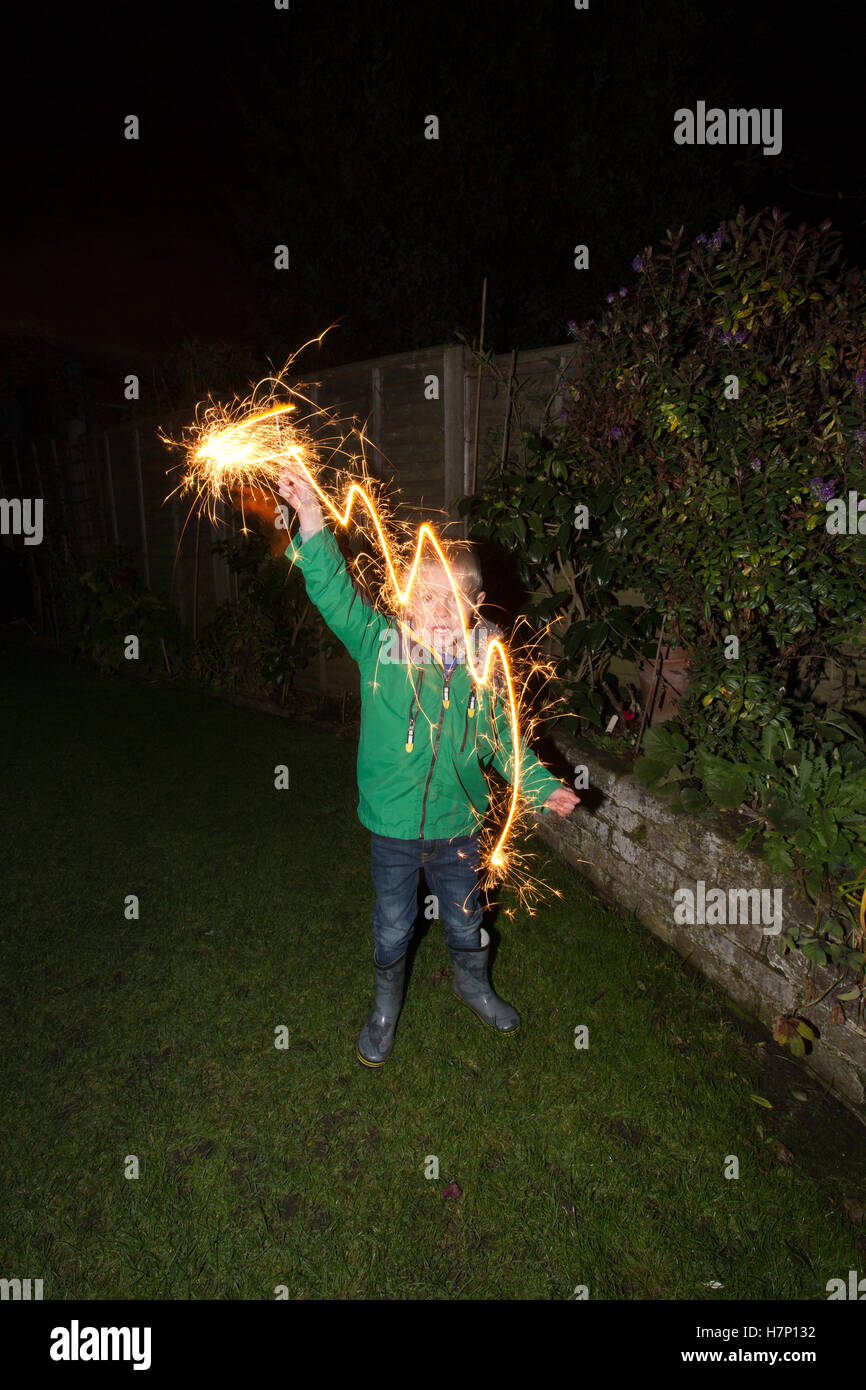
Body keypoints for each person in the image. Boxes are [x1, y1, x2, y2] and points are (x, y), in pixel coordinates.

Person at [277, 463, 580, 1067]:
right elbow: (334, 591)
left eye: (454, 599)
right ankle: (385, 1007)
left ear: (474, 607)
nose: (440, 611)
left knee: (466, 920)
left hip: (459, 827)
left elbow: (504, 742)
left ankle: (473, 984)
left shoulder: (484, 672)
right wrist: (311, 516)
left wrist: (542, 786)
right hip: (392, 829)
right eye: (426, 596)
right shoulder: (379, 645)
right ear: (406, 601)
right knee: (393, 924)